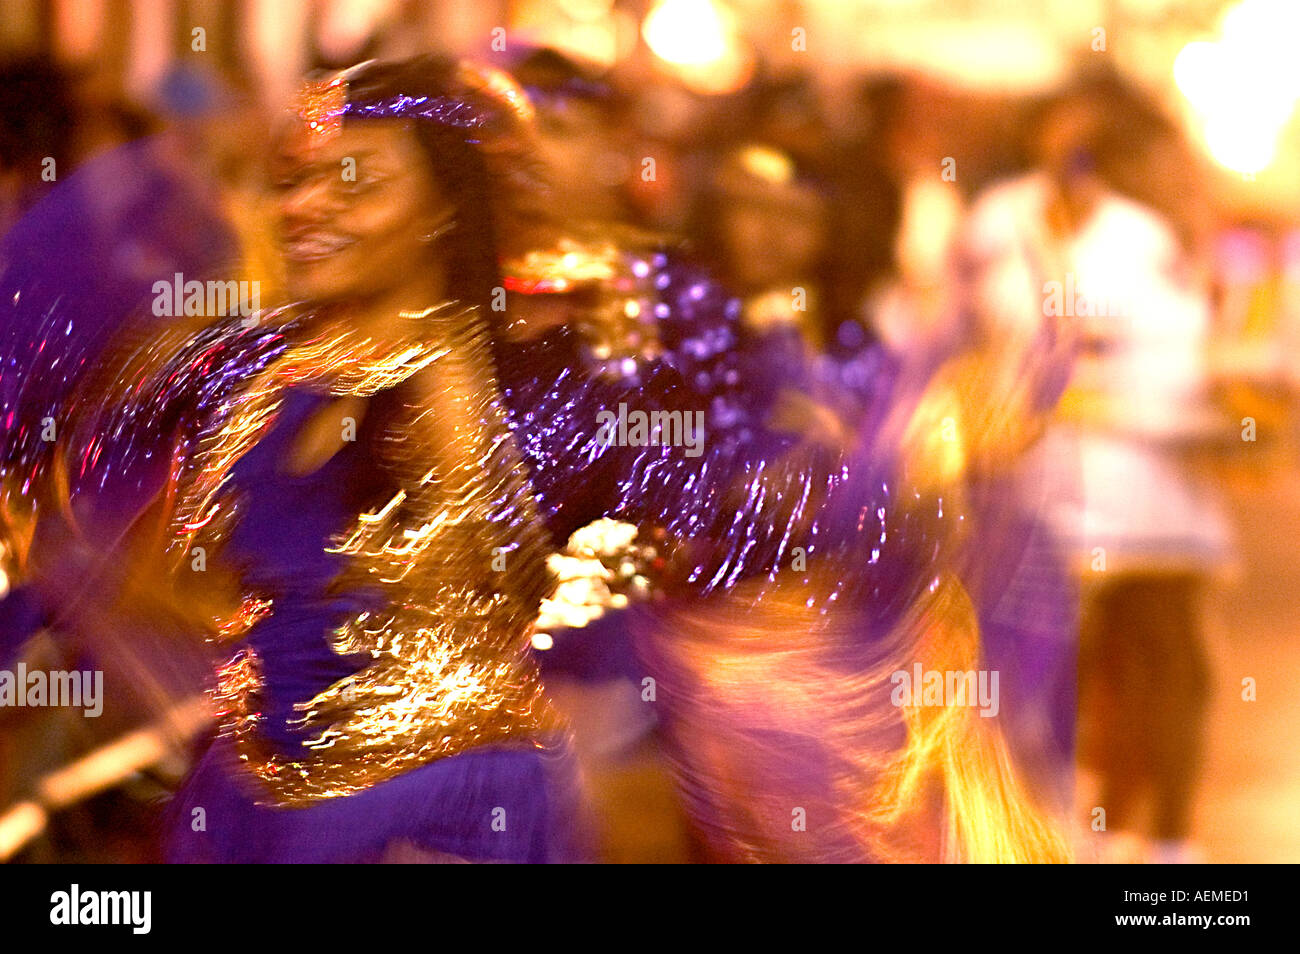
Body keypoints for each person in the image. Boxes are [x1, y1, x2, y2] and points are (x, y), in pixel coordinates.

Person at [2, 55, 1070, 863]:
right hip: (248, 804)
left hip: (449, 808)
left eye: (354, 181)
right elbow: (60, 447)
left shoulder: (540, 390)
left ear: (443, 208)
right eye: (294, 182)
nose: (308, 210)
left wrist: (916, 460)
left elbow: (727, 509)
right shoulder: (240, 362)